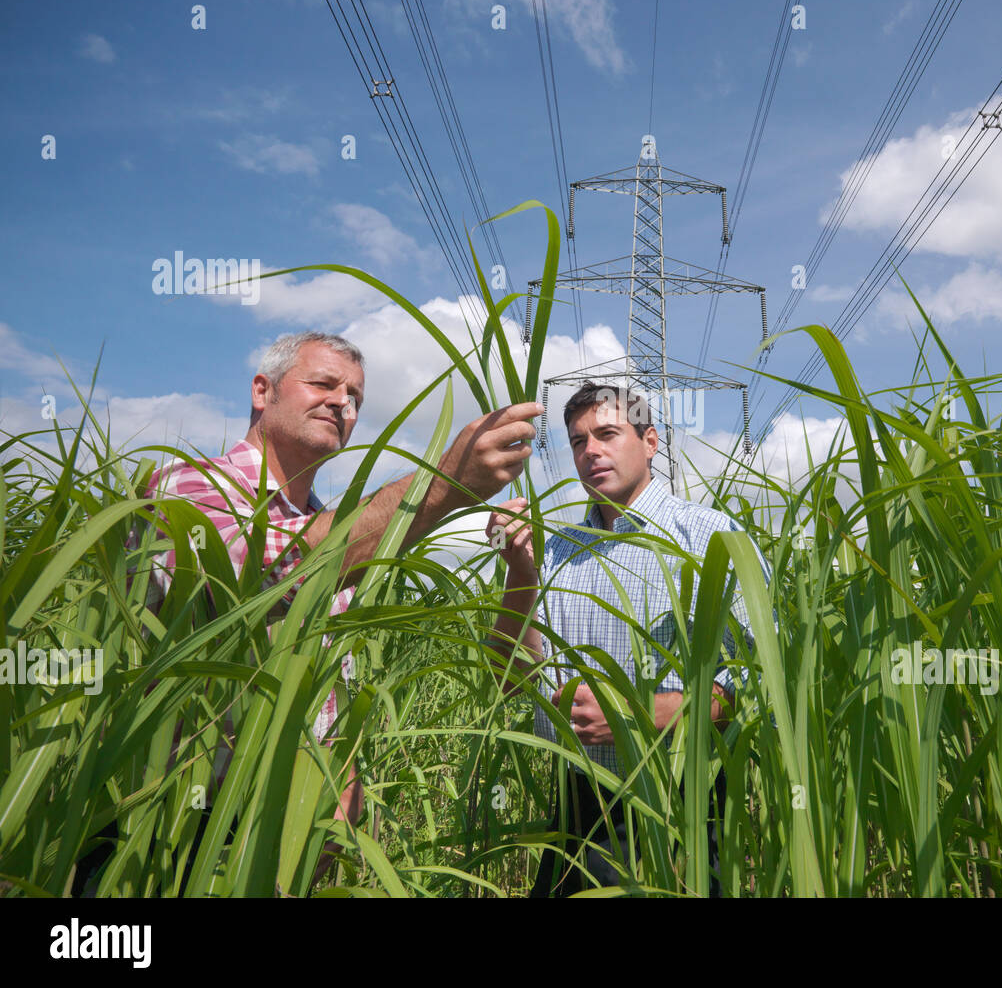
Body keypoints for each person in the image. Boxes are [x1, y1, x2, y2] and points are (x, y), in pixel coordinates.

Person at [123, 330, 541, 892]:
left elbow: (326, 681)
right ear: (261, 390)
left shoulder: (336, 528)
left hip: (278, 831)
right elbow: (272, 574)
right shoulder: (189, 482)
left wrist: (336, 790)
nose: (341, 402)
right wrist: (442, 485)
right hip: (171, 825)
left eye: (356, 399)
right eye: (322, 384)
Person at [485, 381, 768, 896]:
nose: (590, 451)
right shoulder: (554, 552)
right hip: (578, 809)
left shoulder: (713, 540)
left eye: (608, 434)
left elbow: (755, 688)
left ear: (651, 442)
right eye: (577, 441)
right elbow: (509, 680)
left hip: (683, 804)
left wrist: (633, 712)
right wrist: (520, 570)